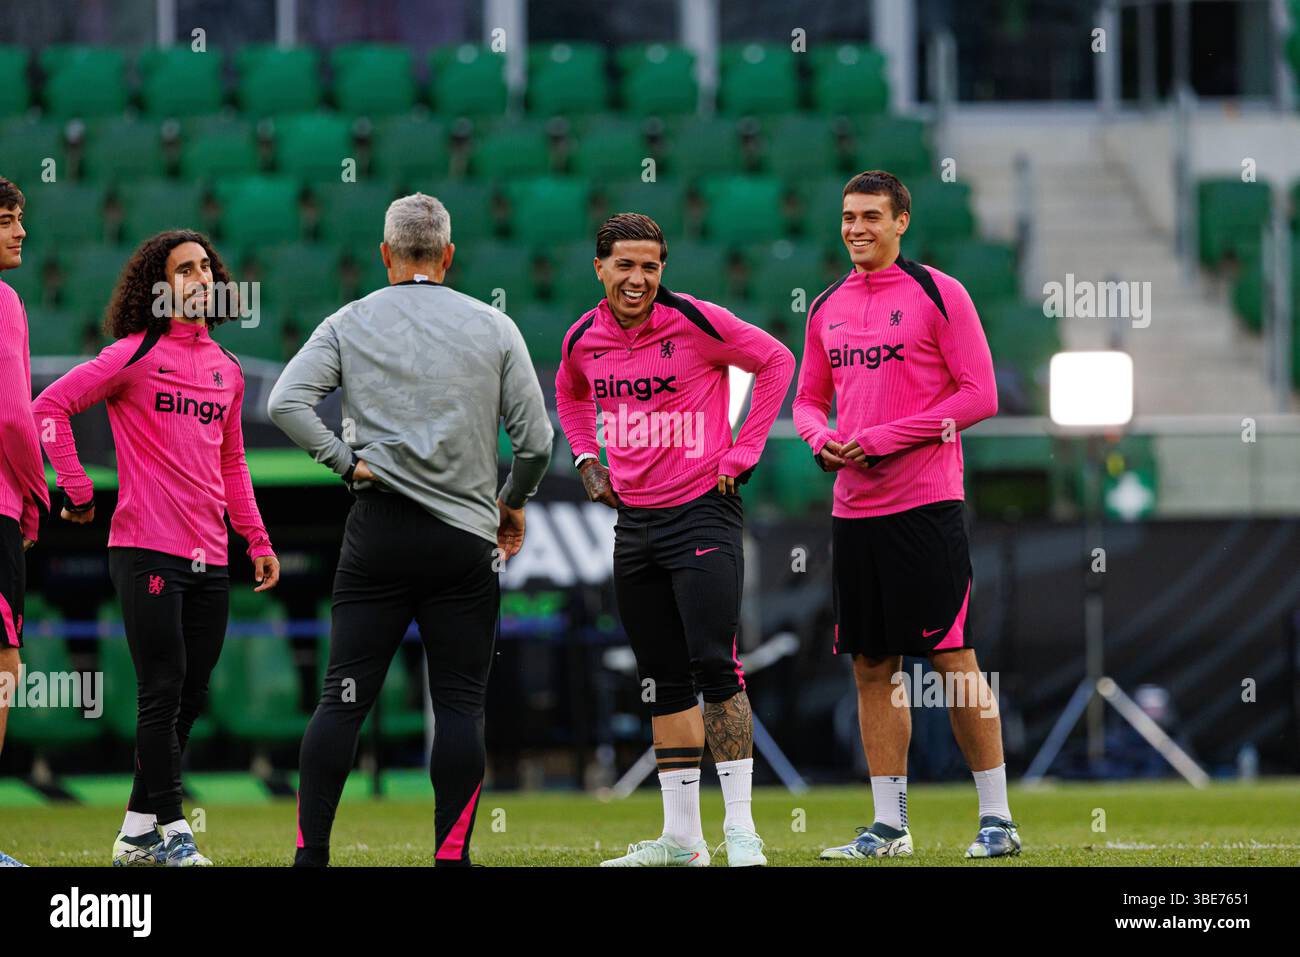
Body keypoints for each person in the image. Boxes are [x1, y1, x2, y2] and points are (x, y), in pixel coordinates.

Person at [268, 193, 553, 867]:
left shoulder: (349, 320)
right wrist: (511, 501)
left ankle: (311, 856)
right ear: (449, 256)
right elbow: (537, 441)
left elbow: (284, 401)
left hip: (379, 531)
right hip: (464, 538)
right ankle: (450, 858)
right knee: (459, 705)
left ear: (386, 254)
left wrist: (344, 462)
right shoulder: (494, 325)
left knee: (342, 698)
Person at [555, 213, 794, 867]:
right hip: (634, 523)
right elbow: (569, 392)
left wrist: (745, 448)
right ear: (599, 266)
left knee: (716, 662)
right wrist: (584, 456)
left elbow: (776, 359)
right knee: (660, 679)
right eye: (625, 265)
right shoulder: (582, 337)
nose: (638, 279)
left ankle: (741, 831)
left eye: (651, 266)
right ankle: (683, 840)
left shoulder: (695, 320)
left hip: (703, 511)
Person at [33, 230, 279, 867]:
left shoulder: (227, 370)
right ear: (160, 288)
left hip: (211, 556)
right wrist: (77, 484)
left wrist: (256, 538)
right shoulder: (134, 354)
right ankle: (175, 836)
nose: (201, 278)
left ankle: (136, 833)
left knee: (187, 701)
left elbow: (234, 465)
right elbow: (51, 406)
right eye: (185, 270)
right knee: (162, 691)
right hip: (145, 548)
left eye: (206, 267)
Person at [792, 170, 1017, 860]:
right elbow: (806, 399)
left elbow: (981, 395)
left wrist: (888, 438)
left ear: (901, 222)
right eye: (848, 216)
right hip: (854, 510)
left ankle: (998, 820)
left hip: (927, 505)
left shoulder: (938, 293)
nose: (856, 228)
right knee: (871, 665)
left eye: (870, 216)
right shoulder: (826, 305)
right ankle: (889, 825)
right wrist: (818, 438)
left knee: (952, 657)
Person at [0, 176, 46, 868]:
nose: (20, 231)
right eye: (7, 219)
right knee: (2, 666)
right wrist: (39, 490)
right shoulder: (4, 300)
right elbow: (12, 413)